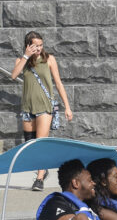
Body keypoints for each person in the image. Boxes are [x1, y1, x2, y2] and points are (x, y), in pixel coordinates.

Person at [11, 30, 74, 192]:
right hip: (27, 108)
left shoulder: (49, 59)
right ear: (28, 46)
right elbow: (13, 75)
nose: (38, 48)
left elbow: (58, 83)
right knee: (30, 144)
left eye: (40, 45)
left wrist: (67, 106)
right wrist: (25, 56)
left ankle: (39, 178)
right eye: (35, 46)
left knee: (40, 143)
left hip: (45, 107)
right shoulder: (21, 60)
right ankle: (43, 170)